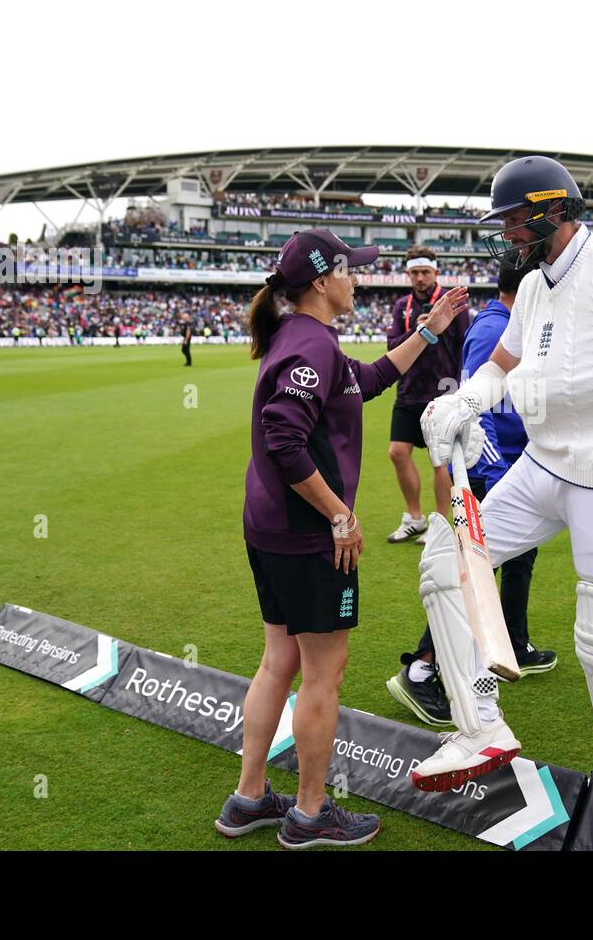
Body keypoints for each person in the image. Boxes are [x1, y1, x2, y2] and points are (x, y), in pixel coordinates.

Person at [414, 155, 593, 790]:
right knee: (446, 560)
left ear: (556, 209)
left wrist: (527, 386)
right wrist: (465, 401)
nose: (509, 236)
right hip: (544, 464)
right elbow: (502, 364)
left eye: (517, 222)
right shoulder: (530, 287)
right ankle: (480, 727)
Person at [216, 229, 470, 848]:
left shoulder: (308, 340)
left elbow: (372, 377)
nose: (358, 278)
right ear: (322, 282)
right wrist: (339, 515)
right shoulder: (308, 348)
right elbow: (283, 439)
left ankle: (250, 798)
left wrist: (430, 330)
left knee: (279, 659)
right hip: (307, 539)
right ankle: (310, 812)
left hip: (271, 529)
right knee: (322, 672)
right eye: (350, 271)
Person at [385, 258, 556, 726]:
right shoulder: (493, 329)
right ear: (528, 290)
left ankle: (514, 642)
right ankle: (422, 667)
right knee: (472, 569)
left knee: (514, 560)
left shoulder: (506, 326)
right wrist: (500, 469)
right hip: (494, 468)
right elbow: (479, 407)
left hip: (517, 465)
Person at [384, 246, 471, 544]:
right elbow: (391, 343)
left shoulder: (451, 303)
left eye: (425, 272)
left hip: (442, 391)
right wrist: (420, 330)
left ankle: (440, 522)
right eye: (414, 273)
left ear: (435, 272)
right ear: (408, 274)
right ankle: (415, 517)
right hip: (408, 390)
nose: (420, 278)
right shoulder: (402, 306)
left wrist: (465, 384)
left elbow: (465, 342)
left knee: (439, 461)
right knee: (397, 452)